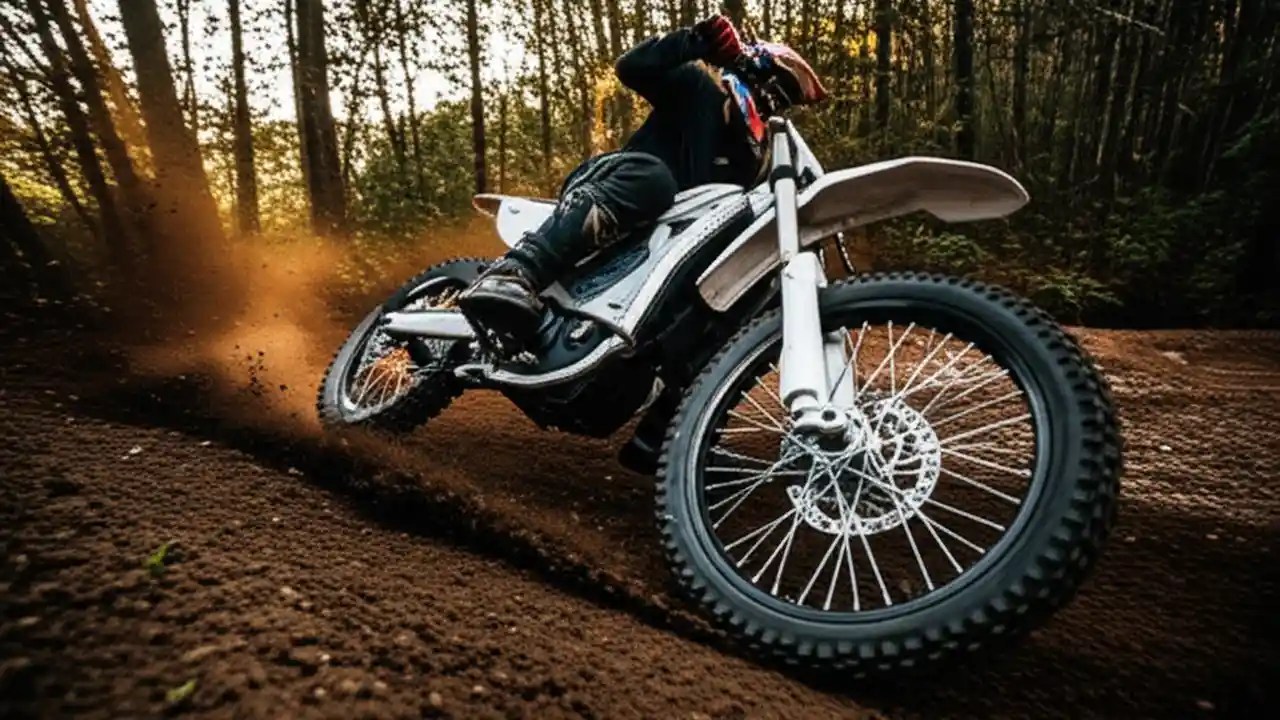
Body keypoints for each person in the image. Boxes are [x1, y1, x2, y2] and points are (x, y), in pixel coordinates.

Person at [456, 14, 828, 349]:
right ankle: (516, 271)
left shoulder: (750, 164)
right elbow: (632, 67)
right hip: (611, 183)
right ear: (752, 73)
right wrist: (697, 41)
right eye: (774, 90)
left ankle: (677, 408)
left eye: (782, 101)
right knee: (656, 180)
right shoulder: (698, 91)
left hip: (660, 245)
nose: (771, 104)